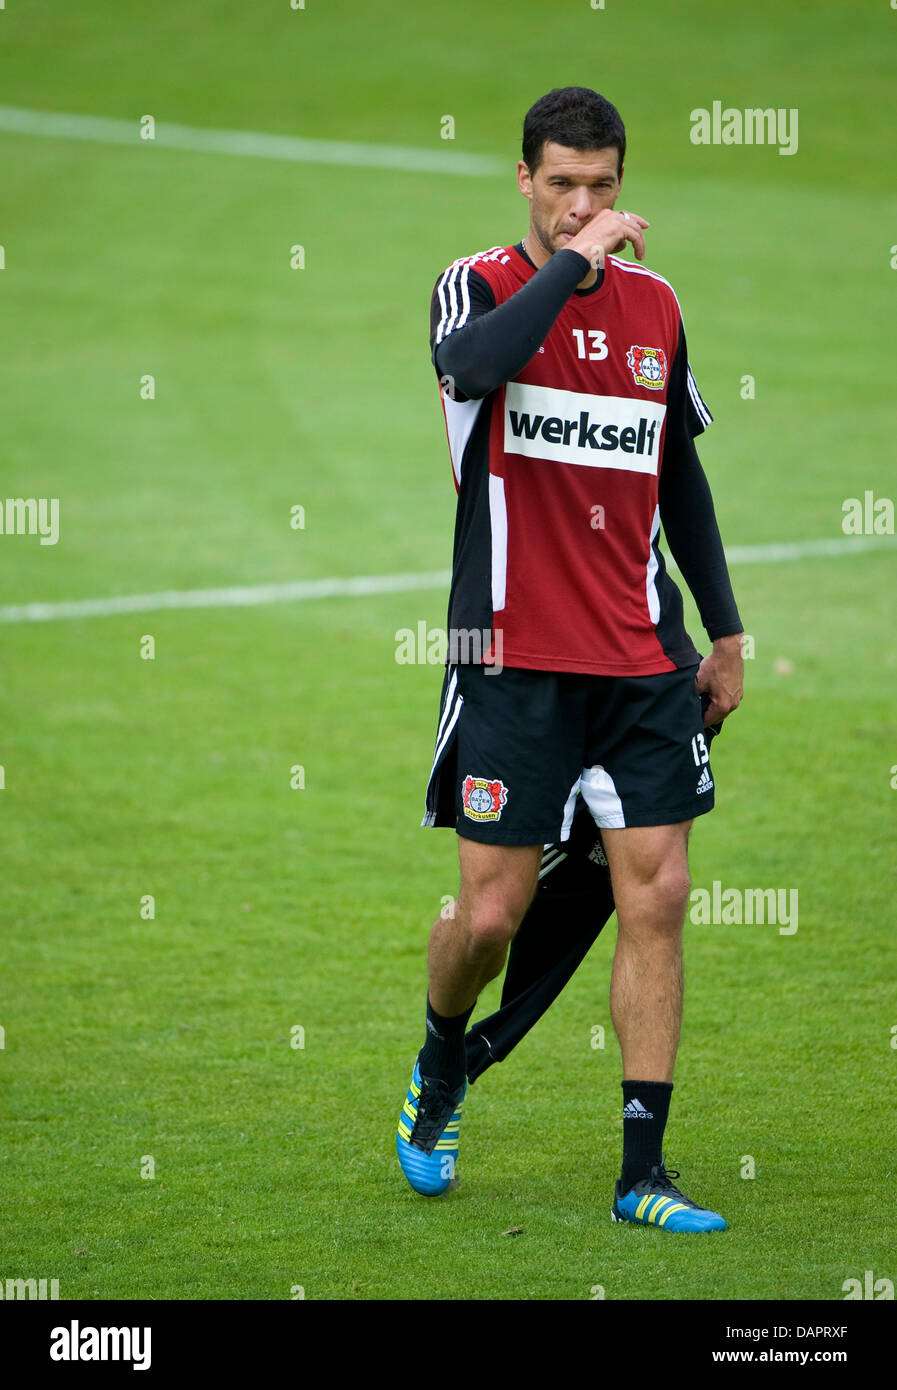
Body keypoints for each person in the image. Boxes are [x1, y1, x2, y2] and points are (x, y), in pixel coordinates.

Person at [396, 87, 744, 1232]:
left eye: (602, 185)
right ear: (524, 183)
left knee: (661, 895)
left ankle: (642, 1170)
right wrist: (572, 265)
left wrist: (725, 629)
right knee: (489, 919)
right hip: (508, 657)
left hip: (641, 662)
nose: (585, 205)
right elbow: (471, 368)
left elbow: (674, 474)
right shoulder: (481, 283)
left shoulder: (659, 306)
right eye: (562, 185)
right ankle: (443, 1060)